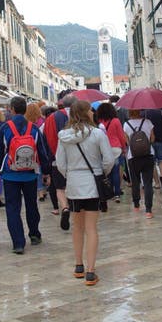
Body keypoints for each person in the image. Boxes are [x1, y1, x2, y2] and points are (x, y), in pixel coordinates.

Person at [55, 100, 114, 286]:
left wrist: (70, 175)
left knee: (77, 226)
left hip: (74, 184)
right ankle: (90, 271)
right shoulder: (97, 134)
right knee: (91, 228)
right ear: (86, 112)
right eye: (90, 110)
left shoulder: (64, 136)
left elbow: (60, 163)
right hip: (92, 184)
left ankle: (78, 265)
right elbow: (109, 159)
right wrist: (101, 172)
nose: (93, 112)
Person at [0, 96, 51, 254]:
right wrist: (46, 172)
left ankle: (18, 242)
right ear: (25, 110)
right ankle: (34, 234)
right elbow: (42, 152)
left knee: (12, 208)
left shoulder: (5, 128)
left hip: (10, 174)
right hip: (30, 174)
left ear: (12, 109)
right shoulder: (34, 129)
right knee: (31, 205)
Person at [42, 92, 76, 230]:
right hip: (77, 160)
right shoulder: (80, 115)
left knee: (60, 188)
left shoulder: (51, 118)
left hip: (57, 159)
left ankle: (65, 207)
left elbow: (45, 139)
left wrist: (49, 159)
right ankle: (75, 208)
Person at [124, 109, 156, 216]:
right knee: (148, 183)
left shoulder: (126, 124)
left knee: (135, 181)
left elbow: (127, 142)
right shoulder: (148, 122)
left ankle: (136, 205)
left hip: (133, 157)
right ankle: (148, 210)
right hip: (148, 154)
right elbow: (152, 139)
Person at [96, 101, 127, 202]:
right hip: (116, 149)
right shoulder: (116, 121)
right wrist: (124, 148)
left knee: (107, 172)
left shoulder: (99, 122)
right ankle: (117, 193)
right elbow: (121, 136)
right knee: (116, 172)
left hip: (104, 149)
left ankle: (109, 192)